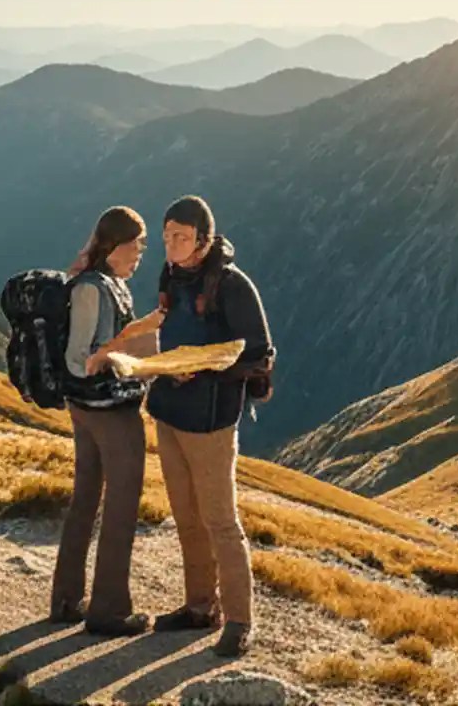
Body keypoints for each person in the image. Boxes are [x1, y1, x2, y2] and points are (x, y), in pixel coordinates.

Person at [146, 195, 275, 658]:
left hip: (210, 421)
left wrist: (204, 369)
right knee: (186, 517)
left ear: (203, 239)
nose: (170, 244)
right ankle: (200, 606)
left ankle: (240, 620)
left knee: (220, 519)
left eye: (179, 237)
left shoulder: (233, 286)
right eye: (165, 236)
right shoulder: (172, 277)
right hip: (168, 412)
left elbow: (259, 355)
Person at [49, 205, 160, 636]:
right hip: (108, 412)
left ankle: (66, 600)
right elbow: (81, 358)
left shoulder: (101, 282)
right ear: (114, 246)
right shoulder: (93, 289)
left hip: (87, 410)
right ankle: (109, 611)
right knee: (120, 505)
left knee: (86, 498)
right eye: (136, 245)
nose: (140, 253)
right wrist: (130, 346)